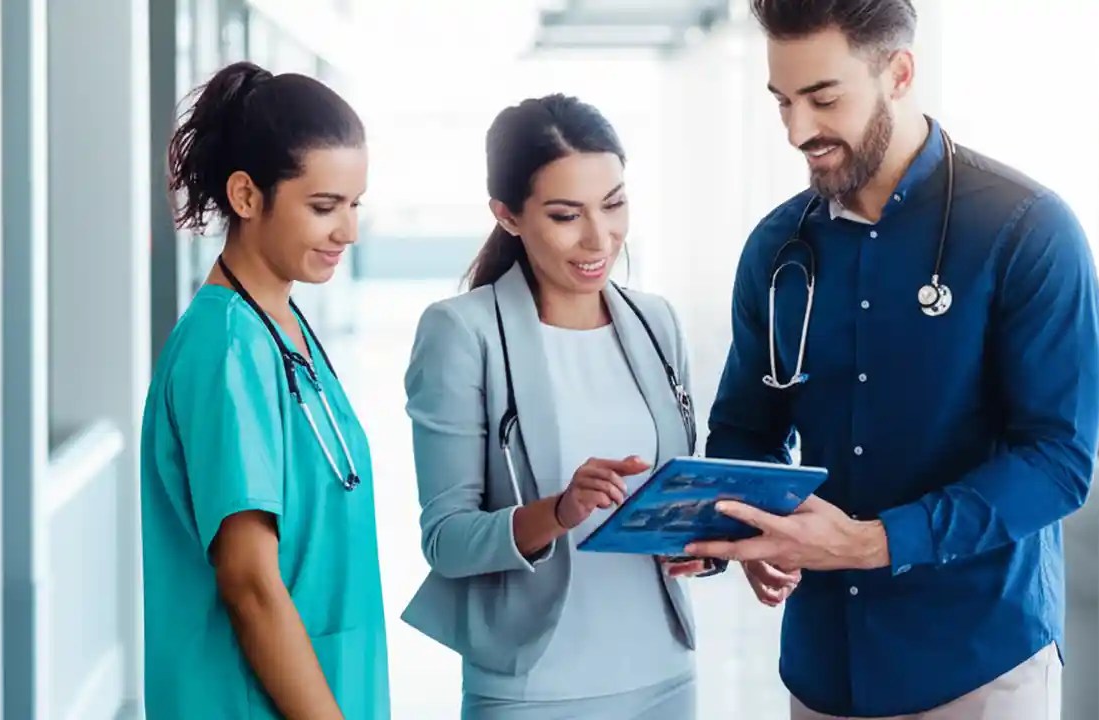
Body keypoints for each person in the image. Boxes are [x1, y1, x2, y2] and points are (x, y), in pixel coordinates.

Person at [684, 2, 1099, 719]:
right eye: (783, 101)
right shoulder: (778, 249)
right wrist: (745, 530)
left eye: (824, 98)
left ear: (899, 73)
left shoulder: (1026, 231)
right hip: (824, 666)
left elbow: (1057, 461)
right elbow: (747, 428)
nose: (797, 131)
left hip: (977, 663)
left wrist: (875, 542)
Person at [401, 93, 720, 720]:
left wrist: (708, 541)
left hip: (663, 676)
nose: (600, 237)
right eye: (566, 215)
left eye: (615, 204)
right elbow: (446, 540)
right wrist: (559, 510)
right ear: (508, 215)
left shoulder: (656, 322)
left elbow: (680, 496)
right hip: (533, 691)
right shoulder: (463, 333)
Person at [140, 60, 389, 720]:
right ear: (247, 196)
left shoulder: (279, 322)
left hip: (330, 687)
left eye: (355, 204)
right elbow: (250, 585)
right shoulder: (226, 349)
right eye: (323, 206)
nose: (349, 231)